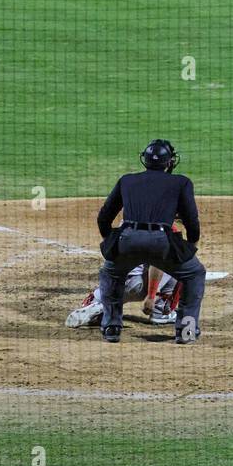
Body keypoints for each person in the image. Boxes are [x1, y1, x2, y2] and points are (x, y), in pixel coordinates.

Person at [96, 139, 205, 344]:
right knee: (194, 273)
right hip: (161, 241)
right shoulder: (181, 182)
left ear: (144, 160)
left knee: (111, 272)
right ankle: (186, 331)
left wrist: (111, 243)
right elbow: (191, 220)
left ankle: (111, 327)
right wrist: (191, 245)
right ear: (169, 162)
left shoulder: (126, 180)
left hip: (127, 239)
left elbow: (104, 217)